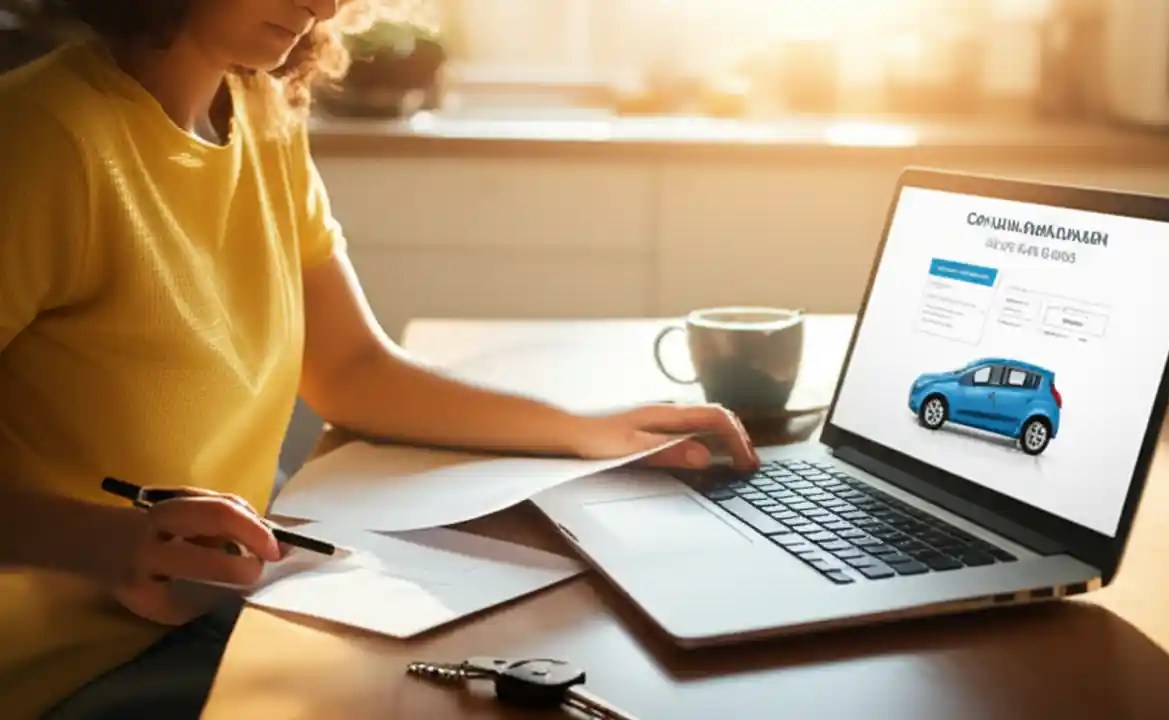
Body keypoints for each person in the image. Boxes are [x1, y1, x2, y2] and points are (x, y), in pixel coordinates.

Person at [0, 1, 759, 716]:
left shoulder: (261, 110)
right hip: (67, 670)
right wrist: (107, 542)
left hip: (228, 612)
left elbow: (353, 370)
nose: (326, 2)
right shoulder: (40, 140)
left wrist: (584, 432)